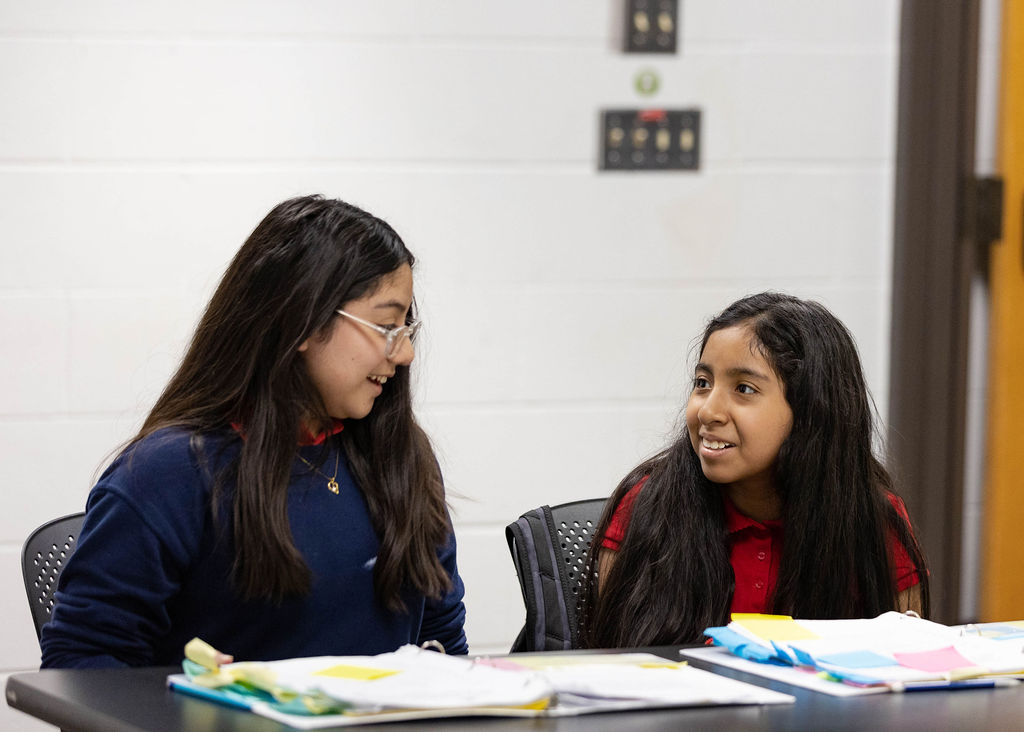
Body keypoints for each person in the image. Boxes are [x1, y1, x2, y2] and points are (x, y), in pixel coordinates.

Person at [41, 195, 467, 668]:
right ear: (302, 320)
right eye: (387, 326)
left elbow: (442, 645)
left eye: (406, 328)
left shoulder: (399, 456)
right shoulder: (171, 471)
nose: (404, 353)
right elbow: (81, 666)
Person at [579, 292, 929, 648]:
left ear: (811, 412)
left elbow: (902, 666)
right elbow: (612, 659)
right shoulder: (647, 503)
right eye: (703, 383)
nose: (708, 411)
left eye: (743, 388)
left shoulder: (874, 519)